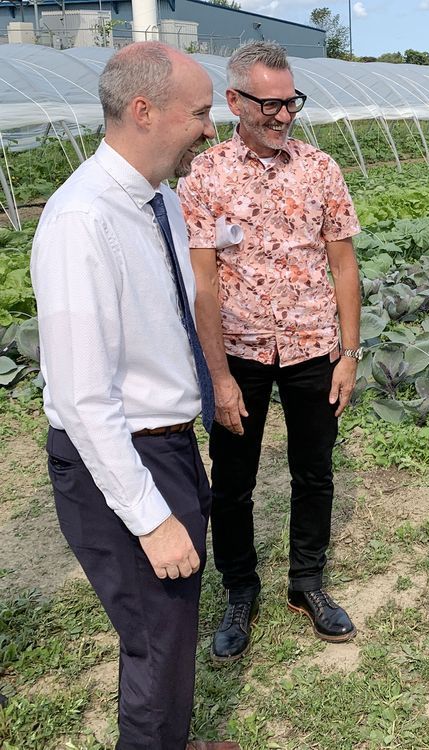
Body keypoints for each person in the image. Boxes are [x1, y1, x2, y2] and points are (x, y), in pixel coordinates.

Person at [31, 43, 237, 750]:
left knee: (173, 627)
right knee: (155, 635)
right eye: (200, 113)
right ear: (144, 111)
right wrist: (150, 519)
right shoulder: (80, 220)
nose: (210, 128)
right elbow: (83, 398)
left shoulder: (160, 203)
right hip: (121, 458)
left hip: (167, 444)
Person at [179, 41, 361, 663]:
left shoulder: (320, 169)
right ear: (234, 101)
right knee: (233, 480)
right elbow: (204, 284)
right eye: (270, 104)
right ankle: (240, 589)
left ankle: (307, 582)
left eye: (291, 103)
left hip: (313, 346)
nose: (283, 116)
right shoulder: (205, 176)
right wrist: (218, 376)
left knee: (315, 471)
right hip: (240, 352)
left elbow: (344, 267)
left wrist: (349, 353)